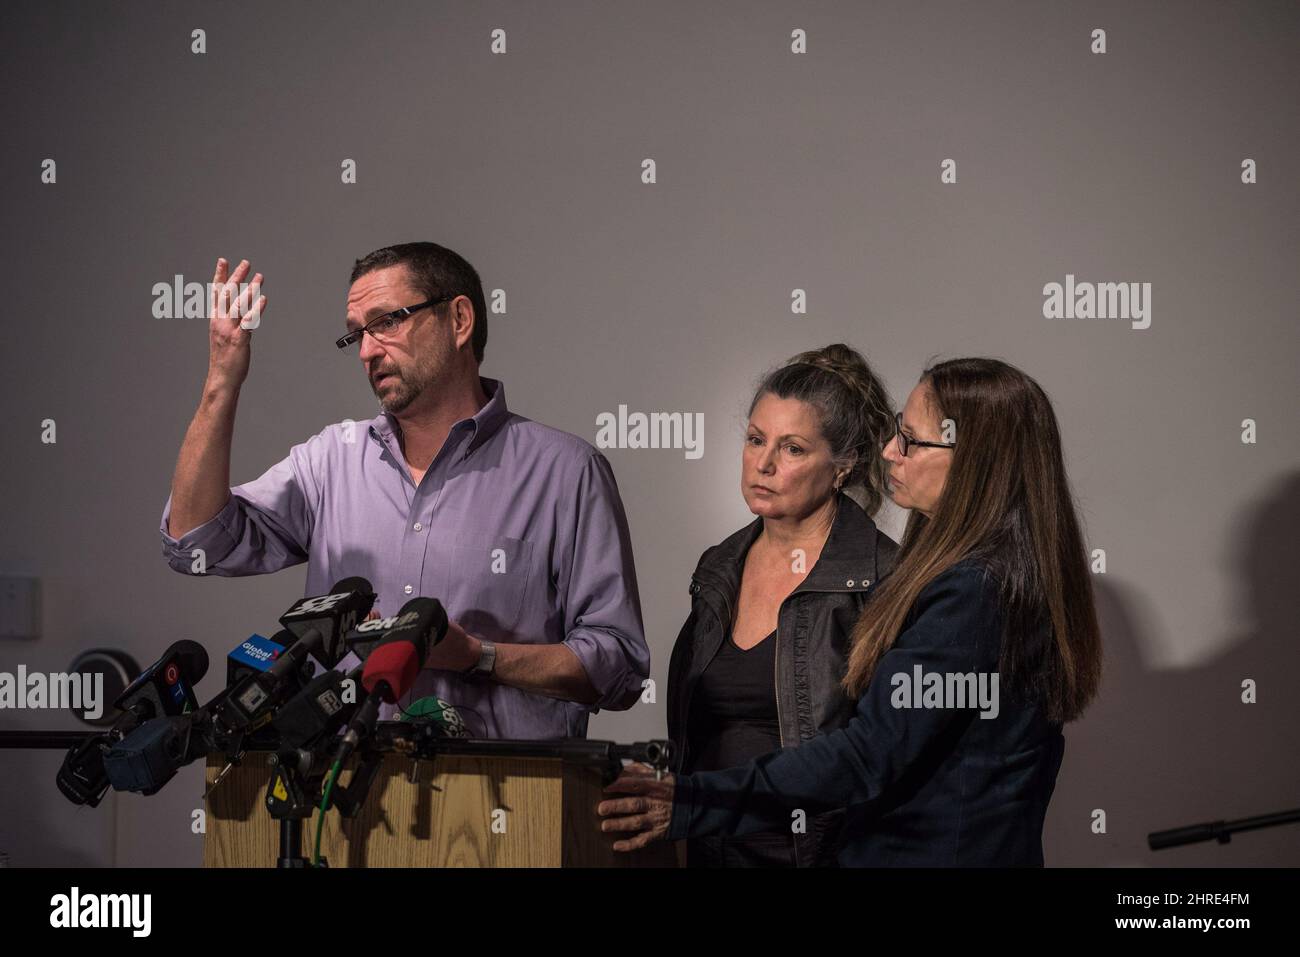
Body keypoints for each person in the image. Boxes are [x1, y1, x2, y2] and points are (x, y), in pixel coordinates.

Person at [600, 357, 1103, 865]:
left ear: (977, 458)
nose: (890, 451)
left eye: (911, 439)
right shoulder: (983, 576)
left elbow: (870, 753)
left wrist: (693, 801)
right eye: (755, 439)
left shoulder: (974, 591)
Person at [160, 242, 649, 738]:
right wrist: (222, 380)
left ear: (459, 320)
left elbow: (619, 665)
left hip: (506, 803)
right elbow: (195, 542)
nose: (368, 351)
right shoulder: (331, 460)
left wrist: (478, 657)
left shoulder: (565, 472)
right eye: (357, 335)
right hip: (345, 799)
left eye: (387, 321)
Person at [666, 344, 898, 867]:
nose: (763, 464)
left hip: (818, 856)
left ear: (844, 465)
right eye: (755, 440)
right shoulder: (719, 567)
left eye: (793, 449)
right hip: (708, 851)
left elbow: (882, 753)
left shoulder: (883, 577)